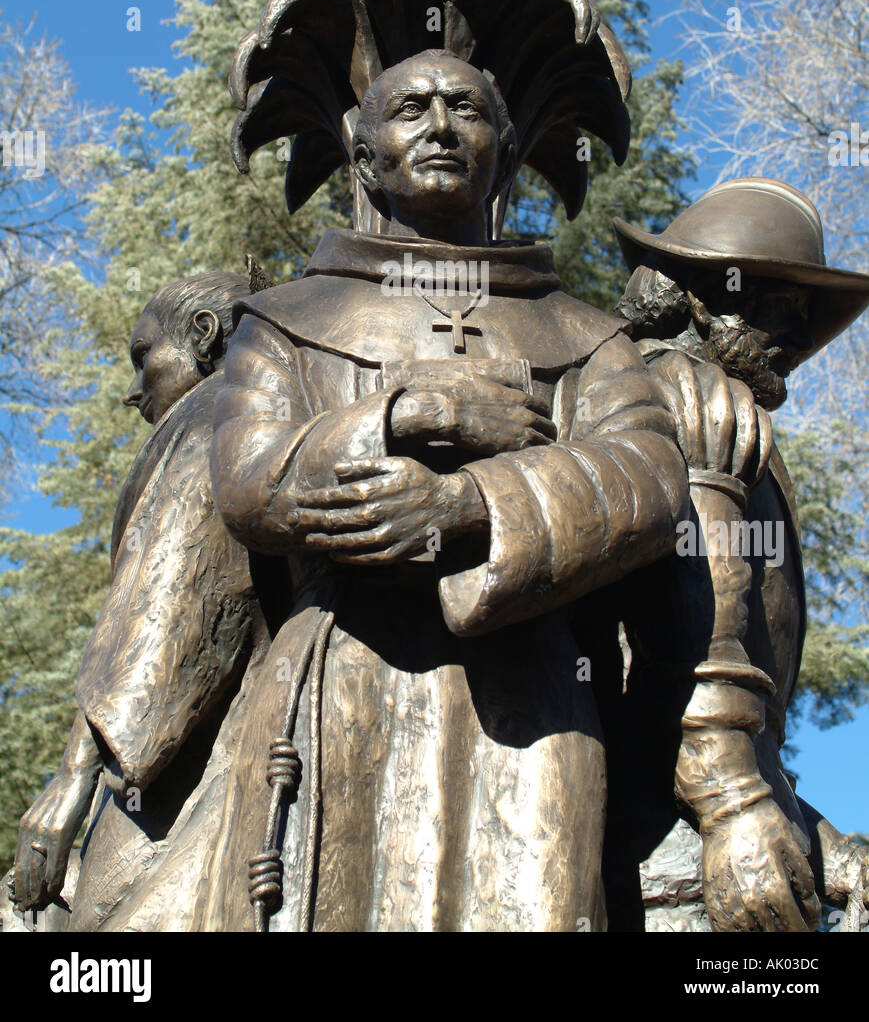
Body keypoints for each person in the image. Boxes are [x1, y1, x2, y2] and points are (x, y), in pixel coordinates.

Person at [200, 49, 697, 932]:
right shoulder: (283, 322)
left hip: (531, 697)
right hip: (336, 685)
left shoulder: (582, 335)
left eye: (464, 109)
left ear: (503, 151)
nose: (438, 127)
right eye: (411, 109)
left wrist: (469, 507)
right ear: (365, 156)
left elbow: (652, 481)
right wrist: (406, 413)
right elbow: (246, 482)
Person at [605, 179, 869, 931]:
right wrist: (736, 806)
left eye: (805, 314)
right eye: (777, 305)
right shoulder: (675, 392)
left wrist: (822, 841)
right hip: (667, 861)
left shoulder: (722, 408)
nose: (797, 333)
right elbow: (698, 655)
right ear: (699, 299)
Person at [11, 270, 266, 932]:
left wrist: (74, 777)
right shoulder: (262, 419)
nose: (131, 392)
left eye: (142, 356)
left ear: (203, 336)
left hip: (188, 771)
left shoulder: (211, 416)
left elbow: (167, 601)